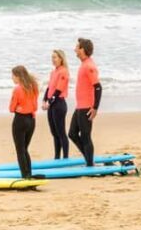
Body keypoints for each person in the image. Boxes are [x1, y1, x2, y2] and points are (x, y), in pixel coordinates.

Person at [68, 38, 101, 166]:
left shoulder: (89, 66)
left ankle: (90, 163)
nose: (74, 49)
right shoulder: (84, 64)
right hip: (80, 107)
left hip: (86, 107)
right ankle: (89, 159)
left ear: (82, 49)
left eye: (77, 47)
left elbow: (98, 87)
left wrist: (95, 107)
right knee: (72, 133)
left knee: (86, 136)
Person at [9, 66, 39, 179]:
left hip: (20, 120)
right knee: (25, 149)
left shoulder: (17, 89)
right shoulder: (33, 86)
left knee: (20, 150)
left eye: (13, 76)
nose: (12, 78)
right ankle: (28, 174)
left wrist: (18, 107)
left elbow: (11, 108)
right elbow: (35, 106)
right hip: (31, 120)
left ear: (18, 76)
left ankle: (25, 176)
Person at [42, 50, 70, 159]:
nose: (53, 59)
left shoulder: (64, 71)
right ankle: (57, 157)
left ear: (61, 59)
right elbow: (49, 88)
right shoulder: (53, 72)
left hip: (59, 104)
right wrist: (44, 100)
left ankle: (65, 158)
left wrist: (49, 102)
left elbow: (58, 90)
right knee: (54, 132)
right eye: (52, 57)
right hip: (52, 104)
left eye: (55, 57)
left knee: (61, 132)